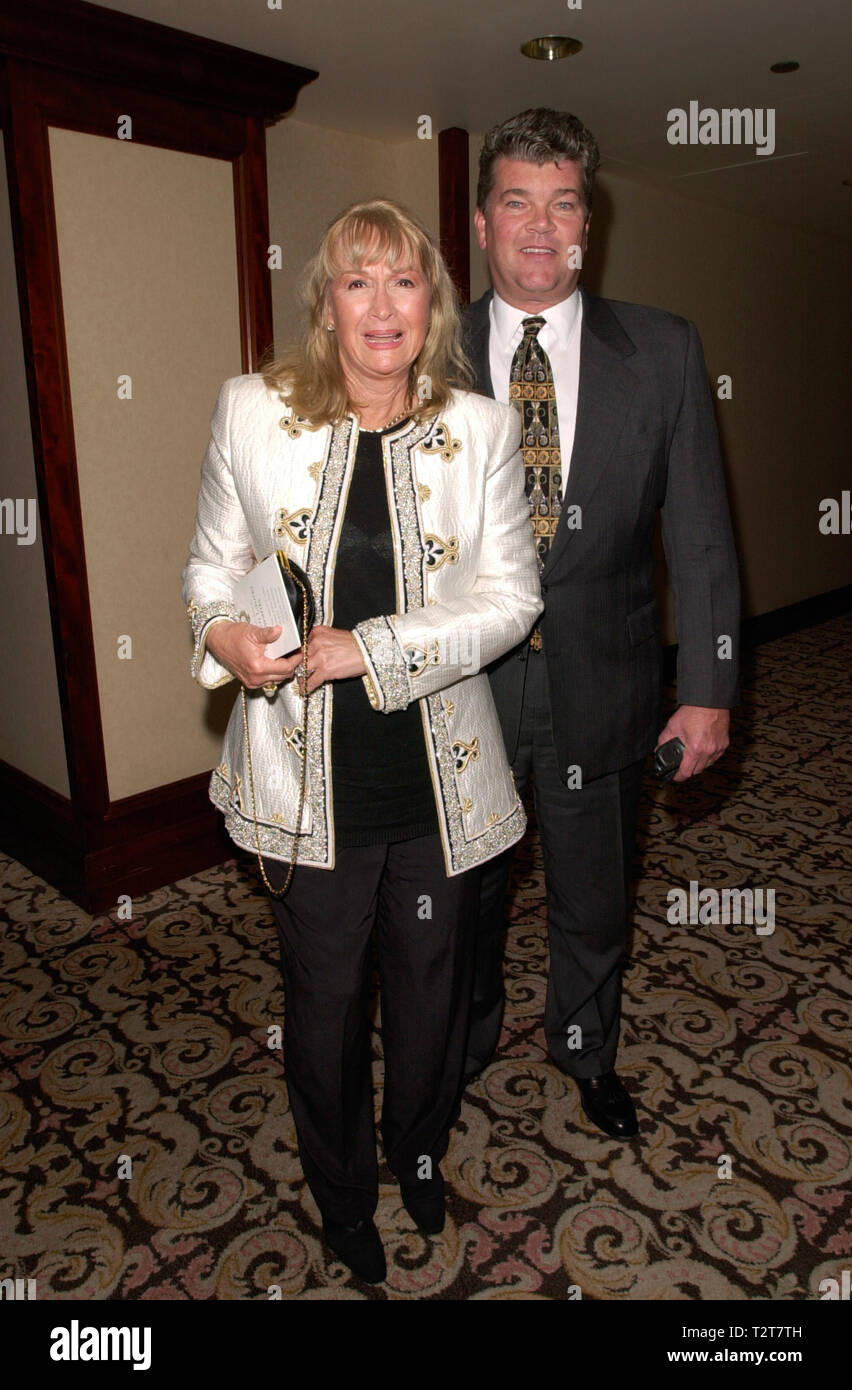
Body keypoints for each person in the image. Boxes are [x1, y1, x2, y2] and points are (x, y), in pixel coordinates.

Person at [181, 199, 542, 1282]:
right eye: (357, 281)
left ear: (431, 302)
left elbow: (512, 601)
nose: (382, 305)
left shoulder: (479, 428)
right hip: (305, 784)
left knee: (432, 994)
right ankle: (342, 1195)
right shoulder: (249, 410)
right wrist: (227, 636)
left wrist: (369, 649)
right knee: (326, 1006)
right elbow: (208, 566)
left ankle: (417, 1147)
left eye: (405, 281)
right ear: (326, 302)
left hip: (439, 782)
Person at [463, 109, 740, 1138]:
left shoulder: (662, 351)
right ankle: (464, 1037)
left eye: (564, 202)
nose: (541, 227)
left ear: (590, 223)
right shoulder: (420, 349)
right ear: (484, 221)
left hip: (607, 681)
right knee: (463, 896)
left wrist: (708, 688)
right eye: (517, 203)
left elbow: (703, 532)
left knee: (594, 893)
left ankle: (586, 1048)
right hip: (462, 693)